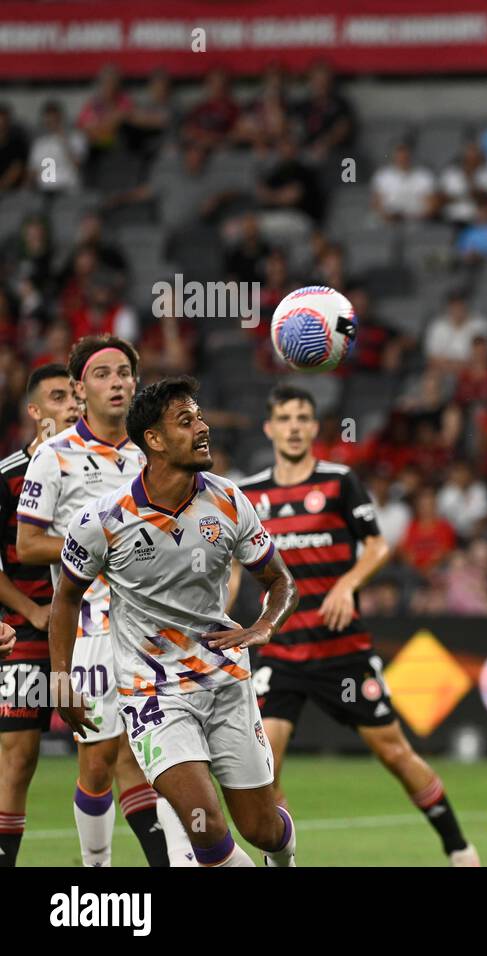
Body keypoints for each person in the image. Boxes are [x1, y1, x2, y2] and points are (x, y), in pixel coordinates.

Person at [49, 376, 298, 867]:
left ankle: (284, 856)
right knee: (206, 826)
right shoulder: (104, 519)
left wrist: (266, 623)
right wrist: (61, 675)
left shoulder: (228, 500)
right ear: (154, 441)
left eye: (200, 417)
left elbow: (280, 580)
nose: (204, 428)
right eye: (187, 422)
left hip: (226, 682)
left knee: (263, 830)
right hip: (152, 693)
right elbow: (65, 598)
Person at [232, 387, 479, 866]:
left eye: (304, 417)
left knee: (393, 752)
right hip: (283, 650)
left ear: (313, 427)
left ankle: (459, 848)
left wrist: (347, 584)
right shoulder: (252, 494)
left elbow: (377, 546)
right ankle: (280, 861)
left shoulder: (340, 481)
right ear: (270, 428)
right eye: (285, 418)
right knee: (265, 766)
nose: (295, 426)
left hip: (341, 650)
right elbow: (235, 564)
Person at [17, 337, 190, 867]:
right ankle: (97, 870)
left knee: (163, 757)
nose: (116, 383)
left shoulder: (152, 453)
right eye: (103, 374)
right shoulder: (53, 456)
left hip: (154, 635)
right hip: (89, 632)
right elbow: (27, 544)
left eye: (124, 373)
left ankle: (185, 858)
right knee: (98, 763)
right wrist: (103, 548)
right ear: (79, 388)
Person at [0, 364, 81, 866]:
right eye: (58, 397)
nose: (72, 405)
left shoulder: (102, 468)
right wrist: (31, 610)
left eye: (75, 396)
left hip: (92, 631)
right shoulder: (8, 474)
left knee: (116, 755)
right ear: (34, 412)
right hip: (29, 631)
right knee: (19, 756)